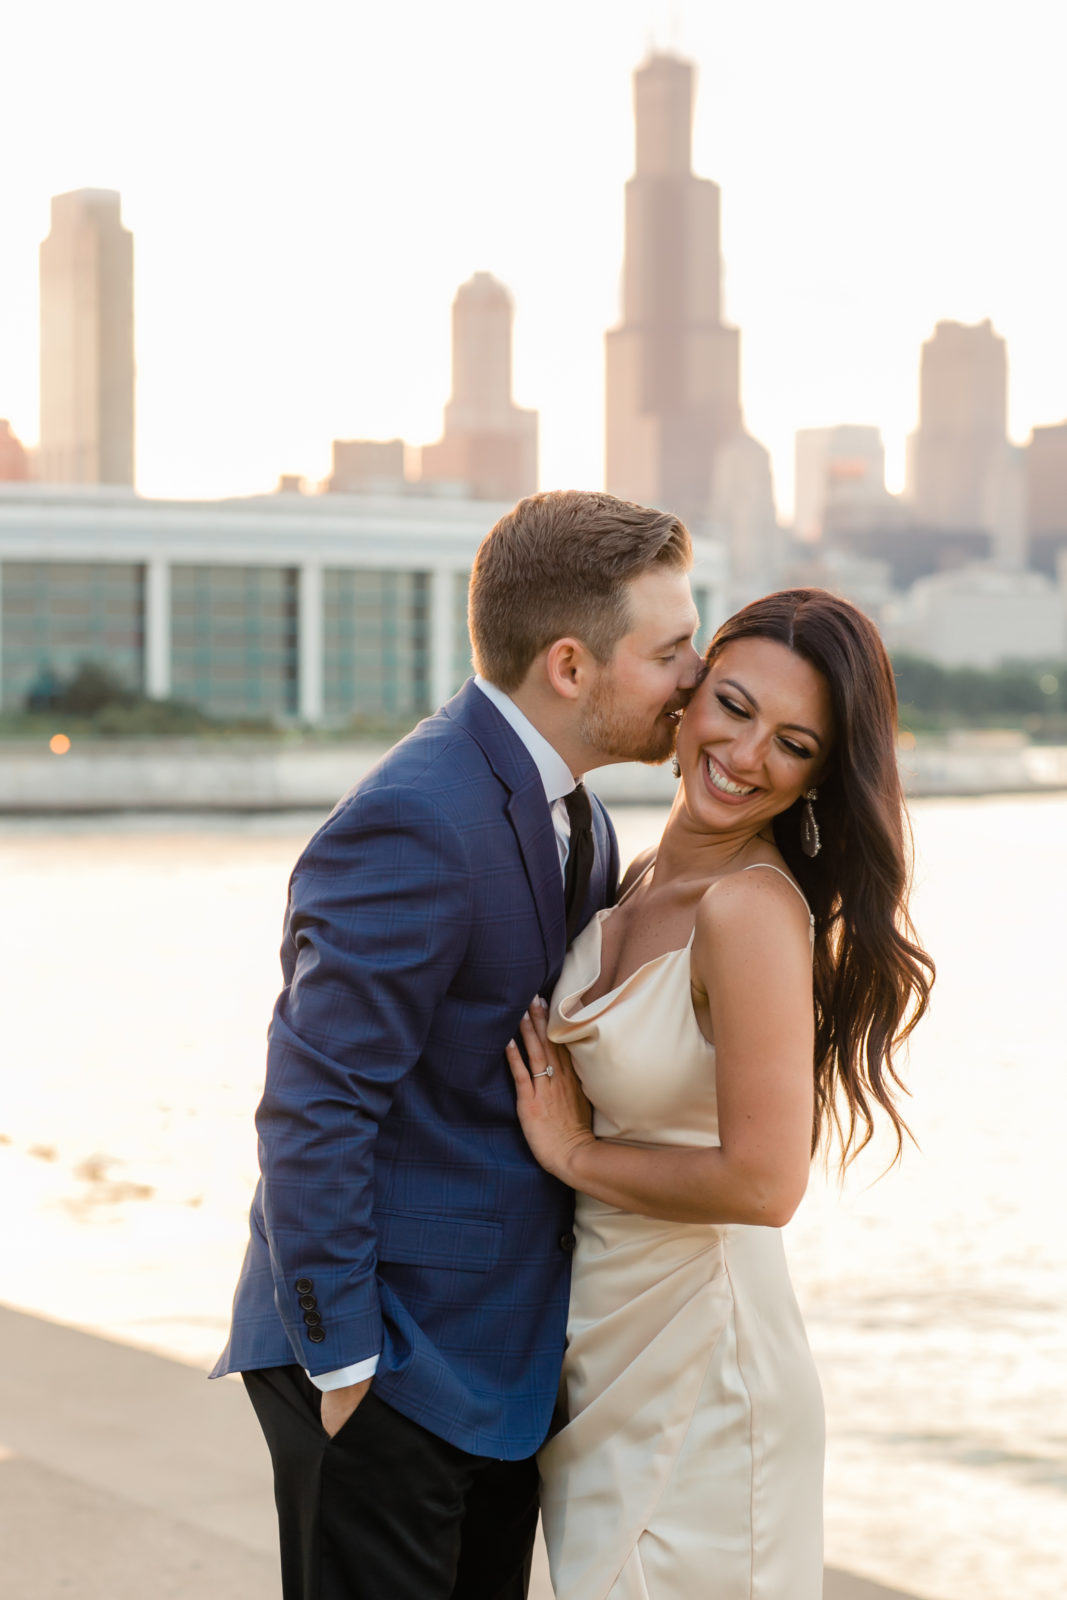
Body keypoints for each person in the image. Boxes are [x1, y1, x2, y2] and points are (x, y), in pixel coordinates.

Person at [211, 489, 703, 1600]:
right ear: (569, 666)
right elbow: (314, 1102)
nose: (694, 674)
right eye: (670, 649)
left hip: (498, 1365)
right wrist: (345, 1360)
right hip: (385, 1362)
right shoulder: (418, 818)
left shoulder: (580, 815)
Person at [507, 587, 935, 1600]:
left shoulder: (747, 910)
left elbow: (764, 1184)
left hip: (708, 1364)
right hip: (606, 1353)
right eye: (733, 707)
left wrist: (573, 1154)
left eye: (791, 744)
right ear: (688, 694)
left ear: (818, 776)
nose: (744, 755)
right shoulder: (635, 876)